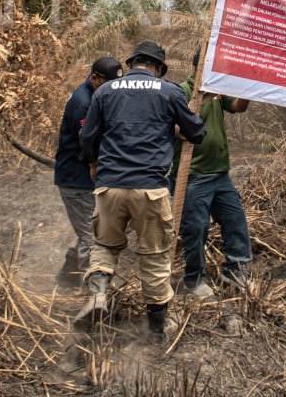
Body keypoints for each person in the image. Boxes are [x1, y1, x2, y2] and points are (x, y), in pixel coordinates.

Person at [77, 40, 205, 338]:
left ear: (132, 62)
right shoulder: (171, 91)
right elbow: (196, 132)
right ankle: (157, 327)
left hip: (110, 185)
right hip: (150, 189)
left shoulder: (105, 91)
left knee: (104, 247)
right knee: (156, 255)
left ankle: (98, 295)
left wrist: (93, 163)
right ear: (159, 68)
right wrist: (179, 124)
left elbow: (87, 137)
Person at [173, 48, 253, 299]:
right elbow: (176, 128)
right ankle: (194, 279)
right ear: (199, 68)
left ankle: (234, 271)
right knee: (196, 228)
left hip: (220, 173)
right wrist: (200, 98)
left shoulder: (218, 90)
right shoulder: (182, 91)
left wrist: (250, 89)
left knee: (235, 220)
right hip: (193, 175)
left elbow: (238, 107)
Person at [52, 56, 122, 287]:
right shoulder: (83, 102)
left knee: (88, 229)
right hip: (77, 180)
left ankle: (65, 279)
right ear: (94, 78)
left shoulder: (95, 95)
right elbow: (88, 143)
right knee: (92, 239)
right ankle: (91, 293)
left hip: (85, 178)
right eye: (107, 85)